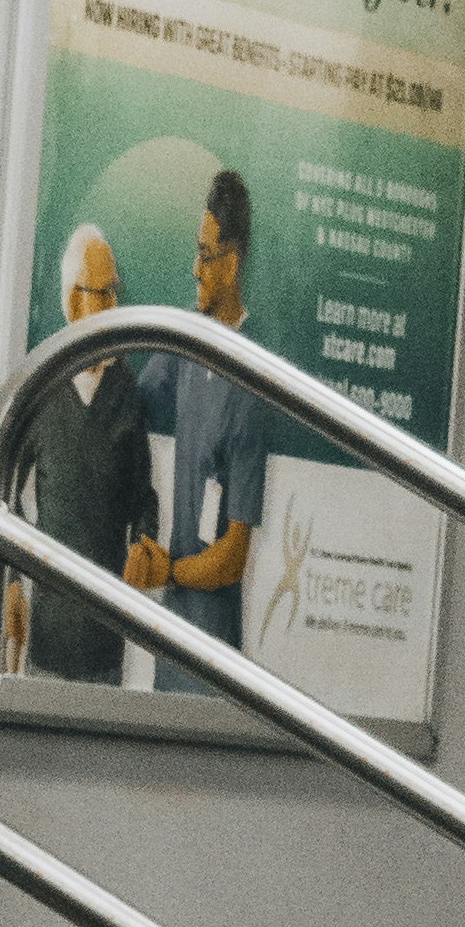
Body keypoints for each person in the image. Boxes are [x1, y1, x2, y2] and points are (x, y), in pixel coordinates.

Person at [127, 169, 268, 689]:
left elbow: (232, 558)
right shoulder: (185, 341)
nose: (194, 269)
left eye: (206, 257)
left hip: (213, 643)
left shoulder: (253, 386)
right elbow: (130, 408)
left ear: (231, 264)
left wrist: (168, 571)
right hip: (173, 628)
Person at [7, 225, 148, 684]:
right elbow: (2, 488)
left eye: (115, 292)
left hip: (106, 649)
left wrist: (142, 547)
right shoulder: (42, 383)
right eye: (100, 294)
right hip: (46, 643)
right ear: (72, 304)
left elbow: (142, 498)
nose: (112, 306)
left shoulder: (127, 391)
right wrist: (12, 583)